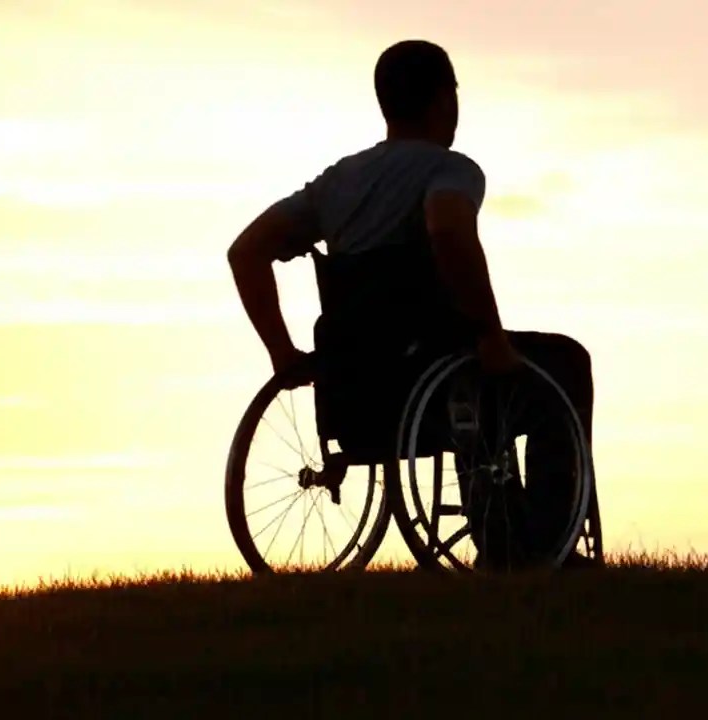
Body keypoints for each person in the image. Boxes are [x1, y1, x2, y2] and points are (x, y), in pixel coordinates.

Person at [226, 39, 594, 567]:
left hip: (360, 386)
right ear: (445, 101)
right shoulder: (451, 170)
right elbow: (448, 230)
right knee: (563, 363)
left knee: (465, 365)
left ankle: (505, 533)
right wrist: (491, 334)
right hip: (435, 367)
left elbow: (246, 252)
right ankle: (540, 543)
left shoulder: (337, 183)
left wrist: (283, 355)